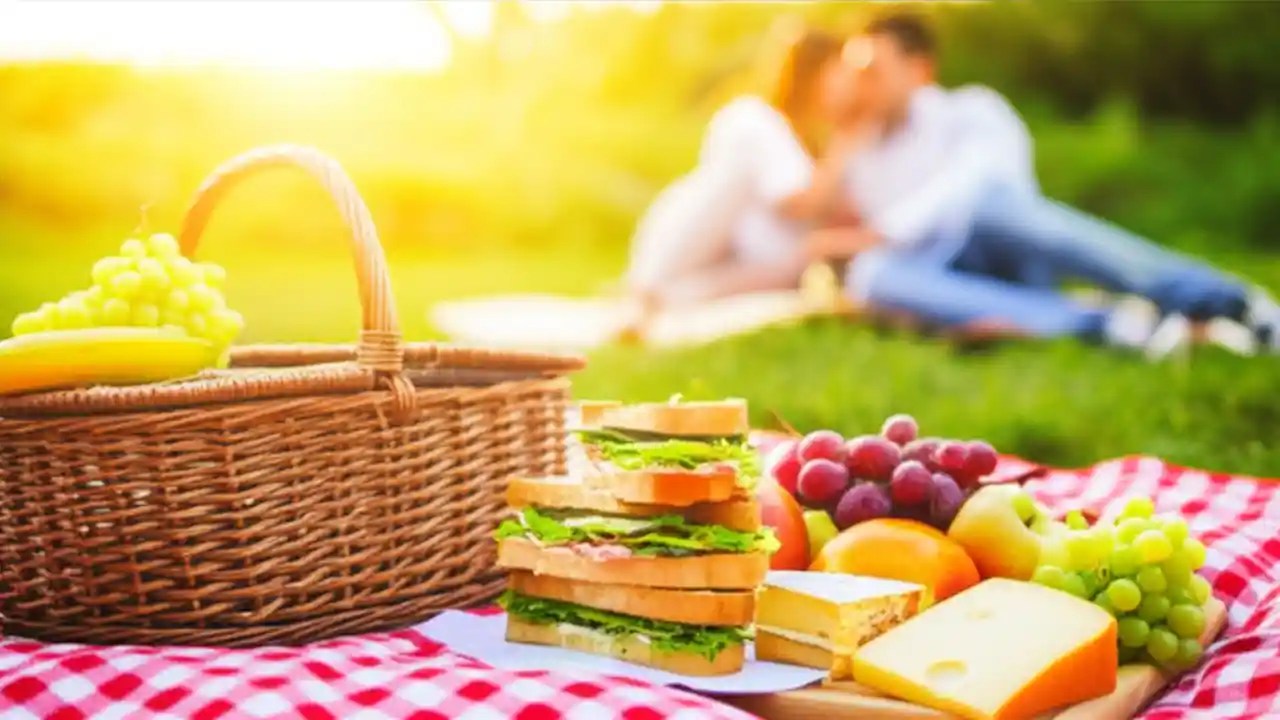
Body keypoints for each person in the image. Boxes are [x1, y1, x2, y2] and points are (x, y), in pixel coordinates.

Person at [829, 13, 1279, 355]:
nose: (860, 86)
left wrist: (888, 229)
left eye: (871, 72)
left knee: (989, 204)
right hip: (948, 281)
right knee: (872, 274)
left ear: (919, 70)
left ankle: (1227, 301)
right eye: (856, 74)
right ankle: (1111, 325)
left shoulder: (974, 110)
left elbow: (973, 188)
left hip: (1013, 255)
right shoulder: (862, 152)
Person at [625, 30, 860, 318]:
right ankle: (646, 289)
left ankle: (655, 301)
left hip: (747, 260)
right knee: (727, 183)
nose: (848, 87)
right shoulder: (754, 119)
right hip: (685, 245)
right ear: (812, 74)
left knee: (789, 259)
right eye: (839, 74)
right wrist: (851, 136)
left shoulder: (815, 142)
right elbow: (797, 202)